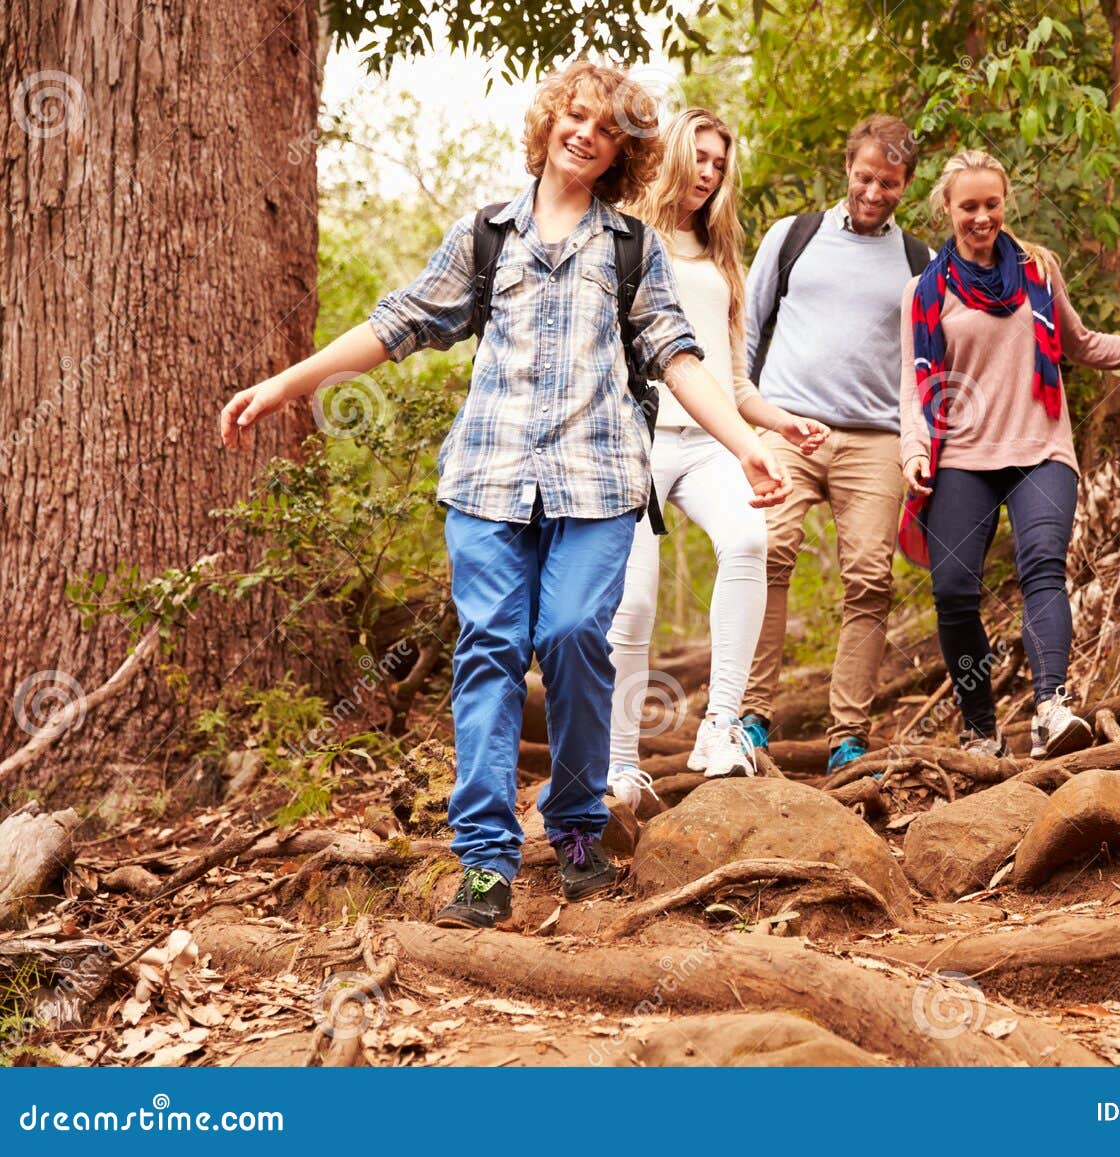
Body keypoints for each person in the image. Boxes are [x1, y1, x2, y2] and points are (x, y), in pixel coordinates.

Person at [218, 62, 792, 927]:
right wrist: (288, 385)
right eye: (576, 115)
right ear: (551, 121)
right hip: (486, 485)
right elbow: (396, 323)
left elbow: (680, 357)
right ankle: (484, 861)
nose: (586, 134)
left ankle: (573, 832)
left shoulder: (630, 250)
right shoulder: (486, 234)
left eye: (606, 130)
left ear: (619, 156)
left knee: (570, 636)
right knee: (488, 648)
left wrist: (747, 446)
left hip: (597, 486)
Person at [898, 149, 1120, 758]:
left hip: (1040, 447)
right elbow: (915, 383)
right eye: (969, 206)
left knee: (1043, 567)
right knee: (955, 590)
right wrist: (913, 450)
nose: (982, 217)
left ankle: (1050, 707)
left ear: (1005, 203)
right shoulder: (924, 291)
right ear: (947, 208)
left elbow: (1083, 344)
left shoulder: (1037, 272)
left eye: (992, 204)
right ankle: (981, 728)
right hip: (961, 455)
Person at [605, 109, 828, 804]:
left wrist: (782, 424)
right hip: (634, 438)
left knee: (750, 538)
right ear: (672, 154)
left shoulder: (722, 256)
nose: (708, 172)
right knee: (635, 600)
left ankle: (721, 727)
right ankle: (618, 766)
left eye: (719, 164)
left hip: (709, 441)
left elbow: (731, 384)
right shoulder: (622, 237)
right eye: (699, 157)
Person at [739, 115, 932, 772]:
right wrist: (744, 423)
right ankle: (749, 717)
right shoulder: (792, 238)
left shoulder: (918, 262)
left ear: (907, 183)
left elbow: (928, 362)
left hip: (876, 439)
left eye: (890, 183)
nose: (875, 192)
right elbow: (748, 331)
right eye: (866, 177)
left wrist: (922, 439)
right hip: (786, 425)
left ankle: (848, 737)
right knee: (767, 554)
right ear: (847, 166)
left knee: (870, 581)